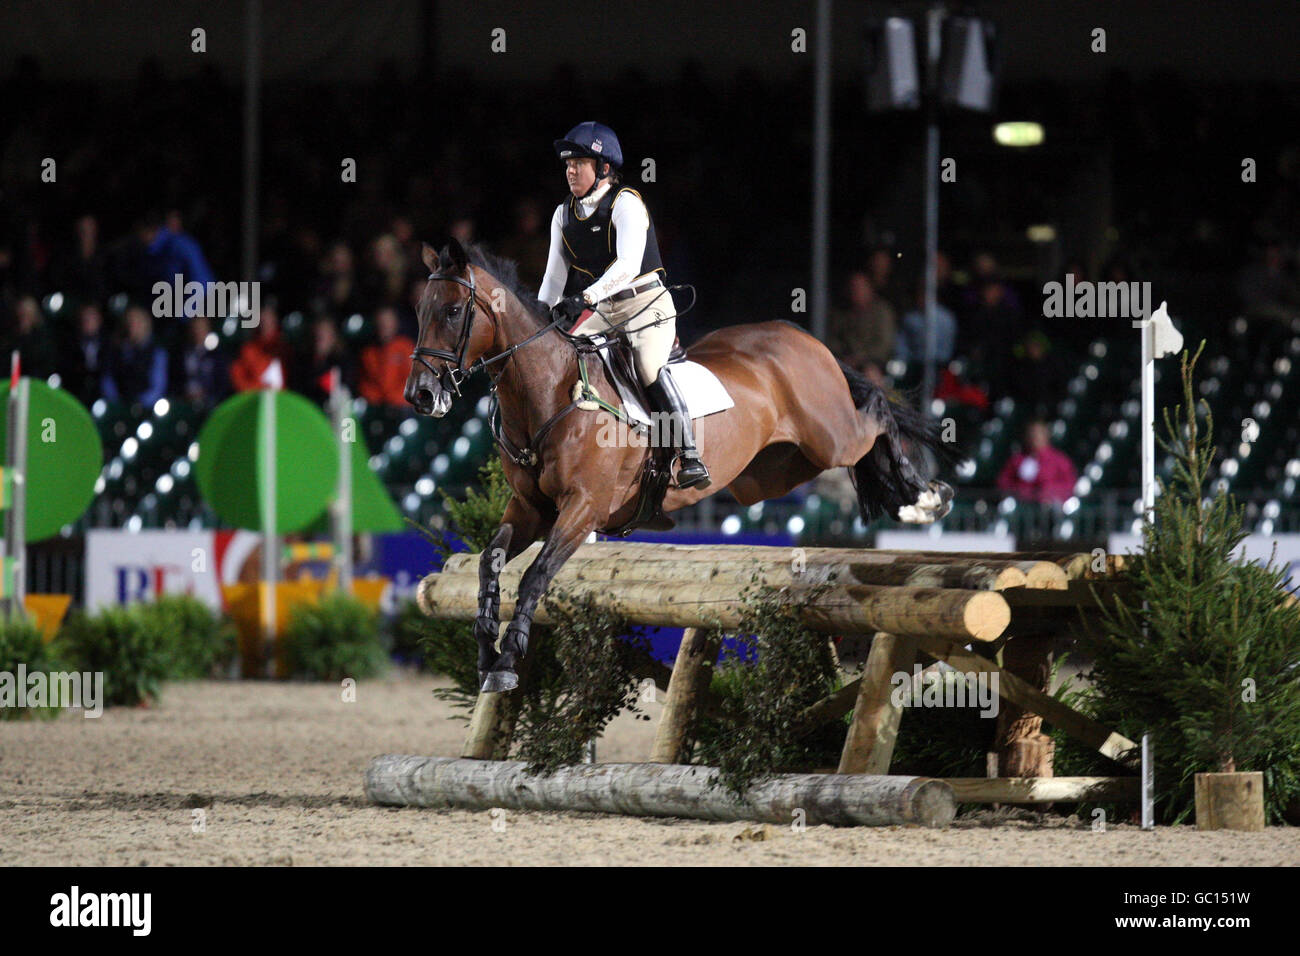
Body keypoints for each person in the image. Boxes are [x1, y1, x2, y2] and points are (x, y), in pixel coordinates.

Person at [538, 122, 709, 489]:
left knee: (647, 366)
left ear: (603, 168)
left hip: (646, 302)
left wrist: (584, 297)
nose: (570, 170)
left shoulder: (626, 202)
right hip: (602, 309)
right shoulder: (562, 215)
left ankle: (688, 453)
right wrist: (542, 318)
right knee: (563, 356)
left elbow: (628, 266)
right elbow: (553, 279)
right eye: (567, 164)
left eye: (579, 163)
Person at [827, 271, 896, 373]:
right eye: (853, 288)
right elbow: (832, 340)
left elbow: (884, 345)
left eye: (860, 287)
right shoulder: (841, 314)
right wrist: (843, 357)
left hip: (875, 365)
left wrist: (860, 358)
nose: (855, 292)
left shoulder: (882, 312)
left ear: (869, 289)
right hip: (844, 363)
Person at [996, 420, 1077, 505]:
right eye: (1031, 434)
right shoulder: (1017, 460)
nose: (1034, 437)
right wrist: (1020, 491)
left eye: (1038, 434)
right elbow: (1003, 482)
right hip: (1021, 506)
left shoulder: (1059, 460)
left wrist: (1048, 492)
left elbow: (1069, 484)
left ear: (1046, 435)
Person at [102, 305, 167, 407]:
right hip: (119, 405)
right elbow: (108, 379)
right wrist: (115, 402)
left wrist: (139, 404)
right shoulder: (116, 350)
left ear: (145, 325)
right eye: (129, 322)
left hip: (145, 408)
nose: (132, 326)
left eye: (136, 323)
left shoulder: (156, 352)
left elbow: (158, 386)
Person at [358, 305, 415, 407]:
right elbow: (365, 382)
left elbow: (412, 380)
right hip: (376, 406)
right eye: (380, 321)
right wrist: (376, 399)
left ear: (395, 323)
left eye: (387, 321)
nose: (384, 325)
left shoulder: (406, 348)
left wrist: (392, 399)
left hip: (401, 407)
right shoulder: (369, 352)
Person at [230, 304, 291, 391]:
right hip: (258, 398)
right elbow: (237, 375)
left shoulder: (285, 349)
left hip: (285, 400)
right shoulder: (249, 350)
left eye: (270, 320)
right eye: (263, 321)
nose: (266, 325)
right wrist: (256, 389)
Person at [175, 314, 229, 410]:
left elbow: (222, 383)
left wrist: (206, 394)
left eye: (201, 328)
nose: (198, 332)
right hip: (185, 402)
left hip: (210, 403)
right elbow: (176, 380)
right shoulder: (182, 354)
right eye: (195, 328)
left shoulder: (217, 355)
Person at [60, 301, 108, 405]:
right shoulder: (70, 345)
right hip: (77, 395)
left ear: (99, 320)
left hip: (102, 396)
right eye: (84, 319)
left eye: (91, 318)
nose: (87, 322)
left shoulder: (108, 344)